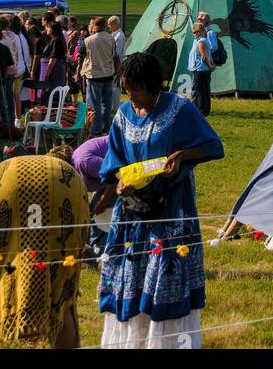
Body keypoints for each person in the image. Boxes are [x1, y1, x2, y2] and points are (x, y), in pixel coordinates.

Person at [93, 52, 224, 349]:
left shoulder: (180, 110)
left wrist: (183, 155)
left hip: (171, 209)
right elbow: (114, 158)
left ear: (153, 85)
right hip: (131, 211)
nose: (130, 95)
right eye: (126, 88)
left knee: (163, 275)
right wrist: (119, 180)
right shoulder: (124, 113)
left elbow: (212, 144)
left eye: (135, 89)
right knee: (132, 273)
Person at [0, 151, 89, 348]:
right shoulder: (70, 174)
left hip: (1, 185)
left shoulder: (1, 168)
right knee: (63, 293)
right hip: (61, 191)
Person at [71, 133, 112, 264]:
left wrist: (103, 201)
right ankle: (87, 255)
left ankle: (93, 259)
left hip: (122, 172)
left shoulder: (85, 162)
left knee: (100, 217)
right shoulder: (75, 166)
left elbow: (115, 176)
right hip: (108, 177)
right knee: (92, 212)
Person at [81, 17, 119, 135]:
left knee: (94, 104)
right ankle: (106, 127)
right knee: (107, 104)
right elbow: (114, 55)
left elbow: (82, 53)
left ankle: (96, 129)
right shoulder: (111, 39)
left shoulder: (88, 40)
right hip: (108, 74)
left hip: (94, 75)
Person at [187, 12, 217, 117]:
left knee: (199, 91)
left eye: (196, 32)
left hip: (200, 69)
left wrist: (210, 66)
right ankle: (203, 109)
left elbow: (204, 56)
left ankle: (200, 110)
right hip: (203, 69)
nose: (194, 34)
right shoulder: (202, 39)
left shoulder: (202, 41)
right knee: (203, 90)